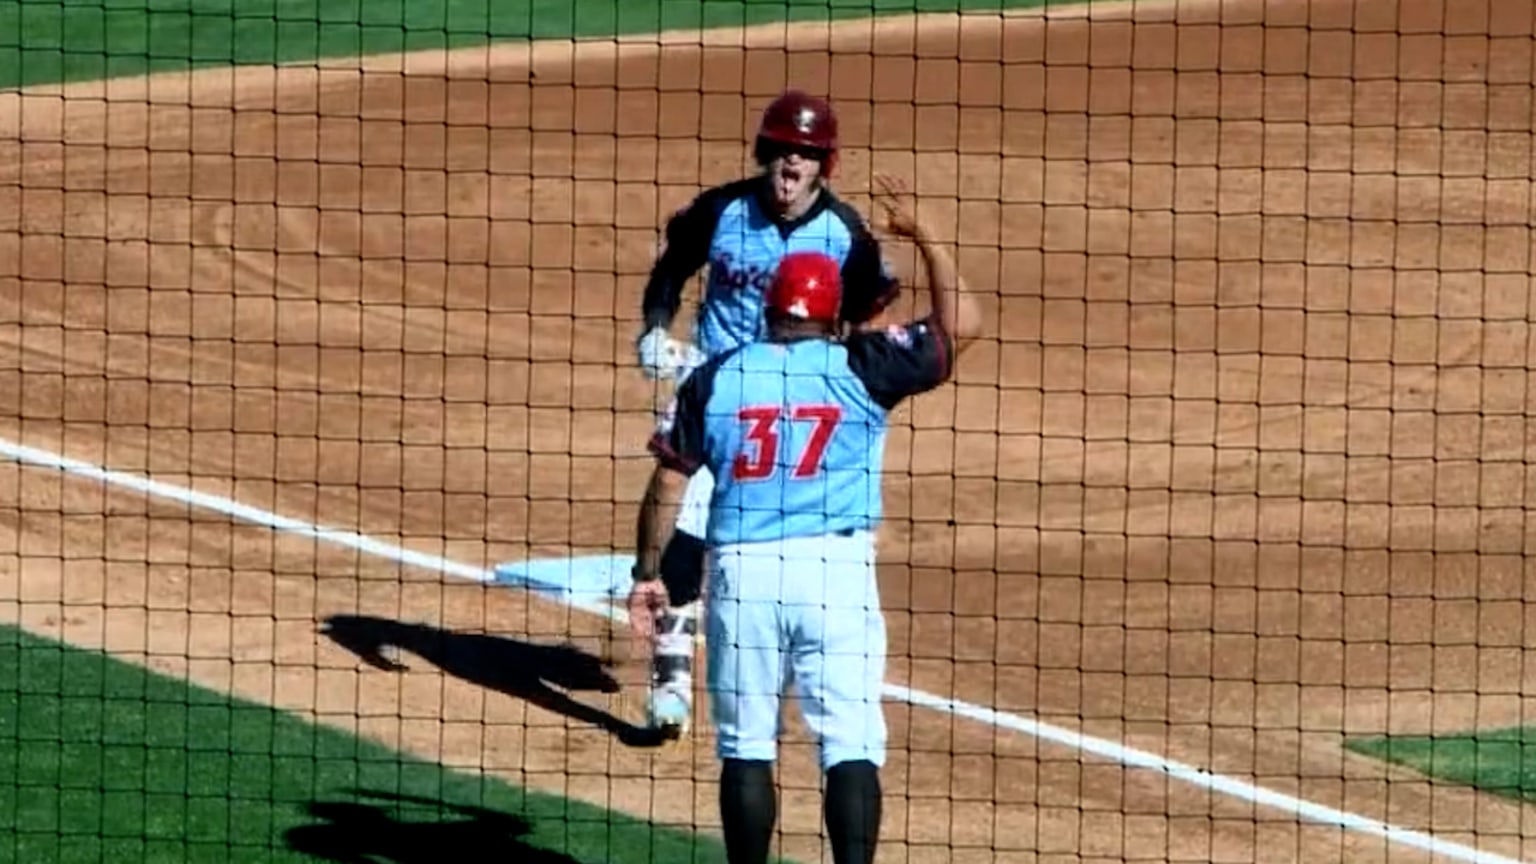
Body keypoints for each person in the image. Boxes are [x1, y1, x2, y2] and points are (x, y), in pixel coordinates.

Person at [629, 174, 984, 864]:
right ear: (832, 314)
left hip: (742, 576)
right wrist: (926, 235)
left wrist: (647, 573)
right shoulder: (867, 365)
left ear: (769, 308)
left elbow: (668, 482)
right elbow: (962, 325)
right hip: (835, 576)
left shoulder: (716, 376)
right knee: (849, 742)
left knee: (745, 746)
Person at [629, 89, 902, 735]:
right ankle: (670, 676)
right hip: (719, 389)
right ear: (765, 152)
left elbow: (871, 311)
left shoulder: (847, 233)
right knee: (683, 527)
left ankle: (785, 651)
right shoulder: (721, 209)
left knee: (781, 536)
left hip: (799, 399)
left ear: (822, 165)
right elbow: (671, 271)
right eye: (782, 150)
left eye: (805, 155)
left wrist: (848, 382)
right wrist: (655, 326)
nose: (790, 166)